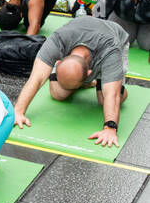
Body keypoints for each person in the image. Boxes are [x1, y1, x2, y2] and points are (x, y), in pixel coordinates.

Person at [12, 16, 131, 148]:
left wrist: (110, 128)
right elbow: (37, 78)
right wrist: (18, 111)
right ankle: (83, 83)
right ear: (58, 62)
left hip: (114, 39)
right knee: (58, 93)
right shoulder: (57, 40)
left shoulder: (110, 49)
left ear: (89, 74)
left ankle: (100, 82)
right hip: (79, 37)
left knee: (103, 99)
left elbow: (112, 95)